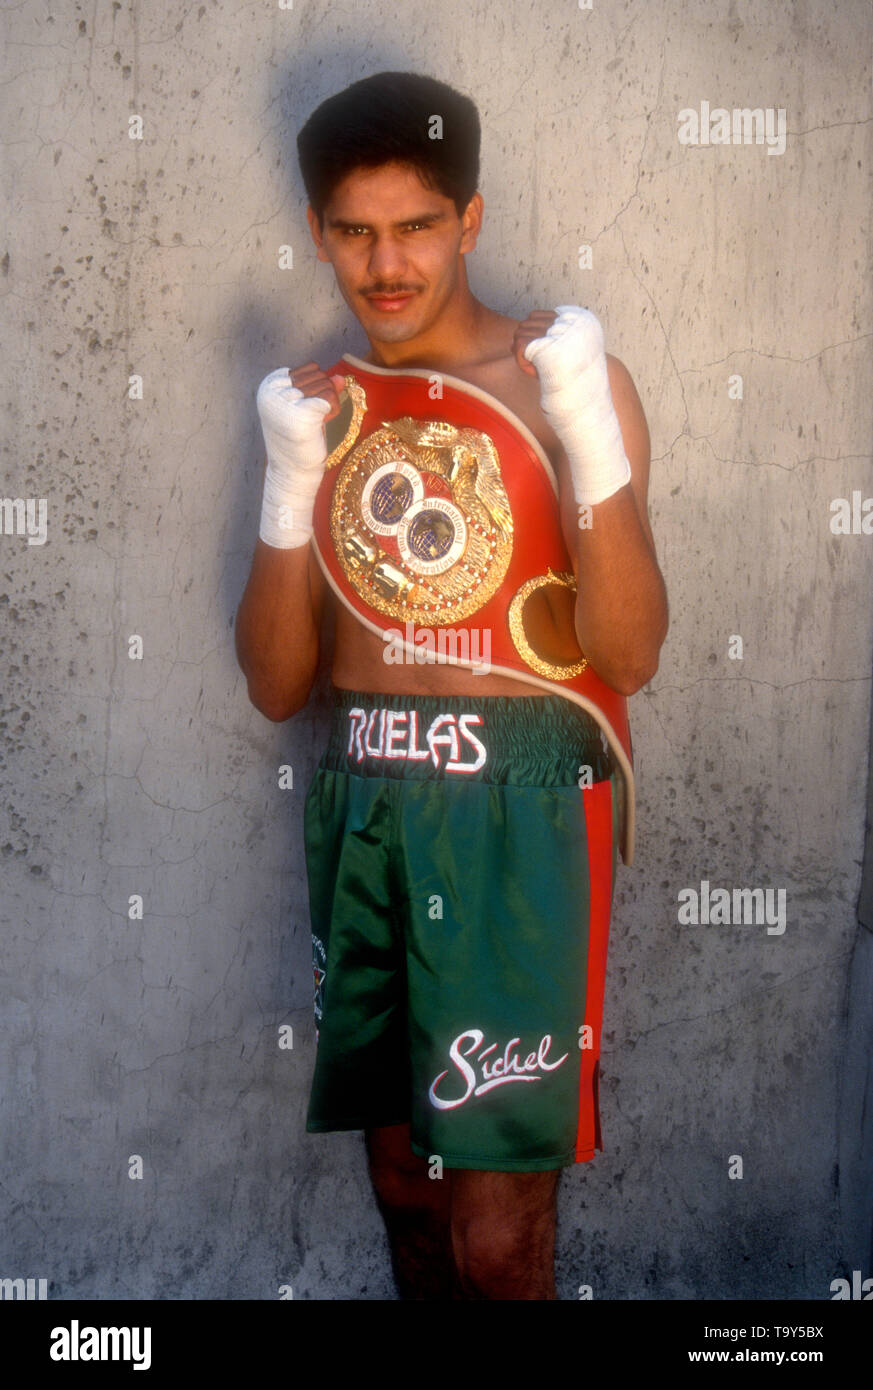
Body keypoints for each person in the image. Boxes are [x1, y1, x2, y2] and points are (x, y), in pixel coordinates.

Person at [235, 70, 668, 1300]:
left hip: (520, 813)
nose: (387, 264)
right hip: (368, 807)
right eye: (357, 232)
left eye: (417, 226)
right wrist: (284, 480)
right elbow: (278, 689)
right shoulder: (320, 411)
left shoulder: (564, 378)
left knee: (498, 1237)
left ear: (468, 221)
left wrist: (584, 425)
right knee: (406, 1201)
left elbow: (629, 655)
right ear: (320, 234)